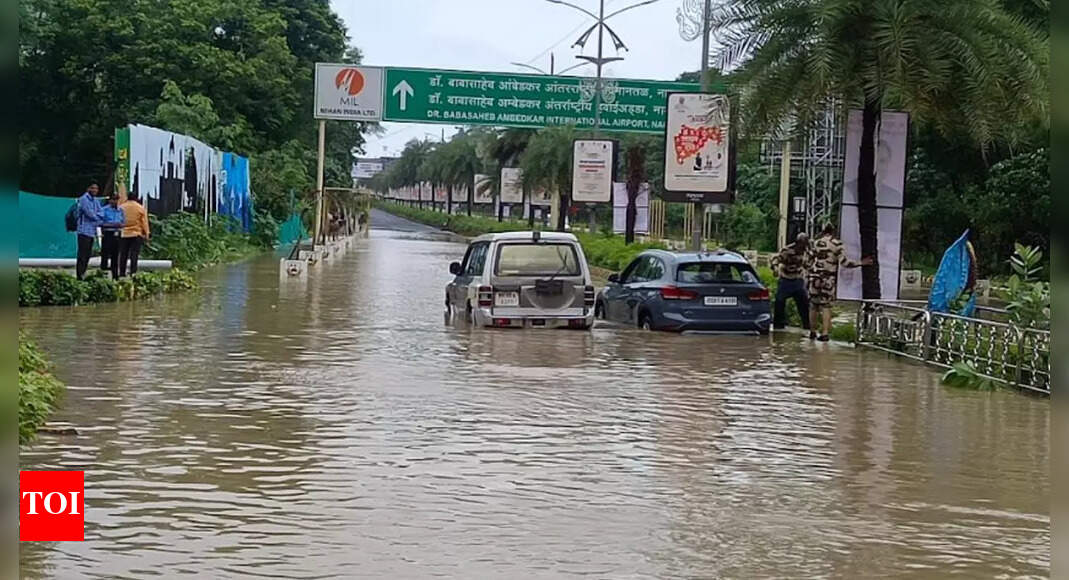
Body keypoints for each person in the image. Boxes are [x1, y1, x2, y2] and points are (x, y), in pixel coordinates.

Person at [806, 223, 873, 341]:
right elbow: (845, 263)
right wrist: (861, 263)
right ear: (834, 231)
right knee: (826, 306)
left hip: (814, 277)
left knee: (813, 305)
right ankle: (825, 333)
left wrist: (810, 274)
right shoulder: (837, 244)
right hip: (827, 279)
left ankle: (812, 332)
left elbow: (807, 261)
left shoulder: (815, 243)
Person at [771, 232, 811, 331]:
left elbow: (808, 264)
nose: (802, 247)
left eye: (804, 245)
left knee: (804, 302)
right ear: (797, 243)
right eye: (801, 245)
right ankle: (778, 325)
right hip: (786, 279)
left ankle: (807, 325)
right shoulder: (787, 250)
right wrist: (775, 268)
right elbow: (775, 259)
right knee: (779, 301)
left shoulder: (807, 251)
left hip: (798, 279)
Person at [75, 183, 104, 280]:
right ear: (88, 188)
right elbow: (89, 214)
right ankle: (79, 276)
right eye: (93, 188)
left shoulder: (96, 200)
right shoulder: (83, 199)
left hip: (92, 231)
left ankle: (83, 273)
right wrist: (97, 217)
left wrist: (97, 216)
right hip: (83, 231)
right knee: (82, 255)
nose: (95, 190)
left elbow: (101, 213)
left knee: (87, 255)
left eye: (96, 188)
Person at [118, 191, 150, 277]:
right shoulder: (140, 208)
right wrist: (147, 234)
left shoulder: (121, 207)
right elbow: (144, 223)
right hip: (136, 234)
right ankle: (133, 272)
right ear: (136, 198)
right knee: (134, 254)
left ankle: (122, 272)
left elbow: (118, 220)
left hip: (124, 233)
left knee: (123, 254)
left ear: (127, 197)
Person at [99, 193, 126, 279]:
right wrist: (112, 225)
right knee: (105, 254)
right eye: (113, 199)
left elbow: (123, 222)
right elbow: (99, 222)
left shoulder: (120, 210)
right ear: (110, 200)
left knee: (115, 255)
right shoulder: (104, 210)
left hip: (117, 234)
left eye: (116, 199)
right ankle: (103, 274)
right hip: (108, 233)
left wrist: (120, 225)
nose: (115, 201)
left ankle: (115, 276)